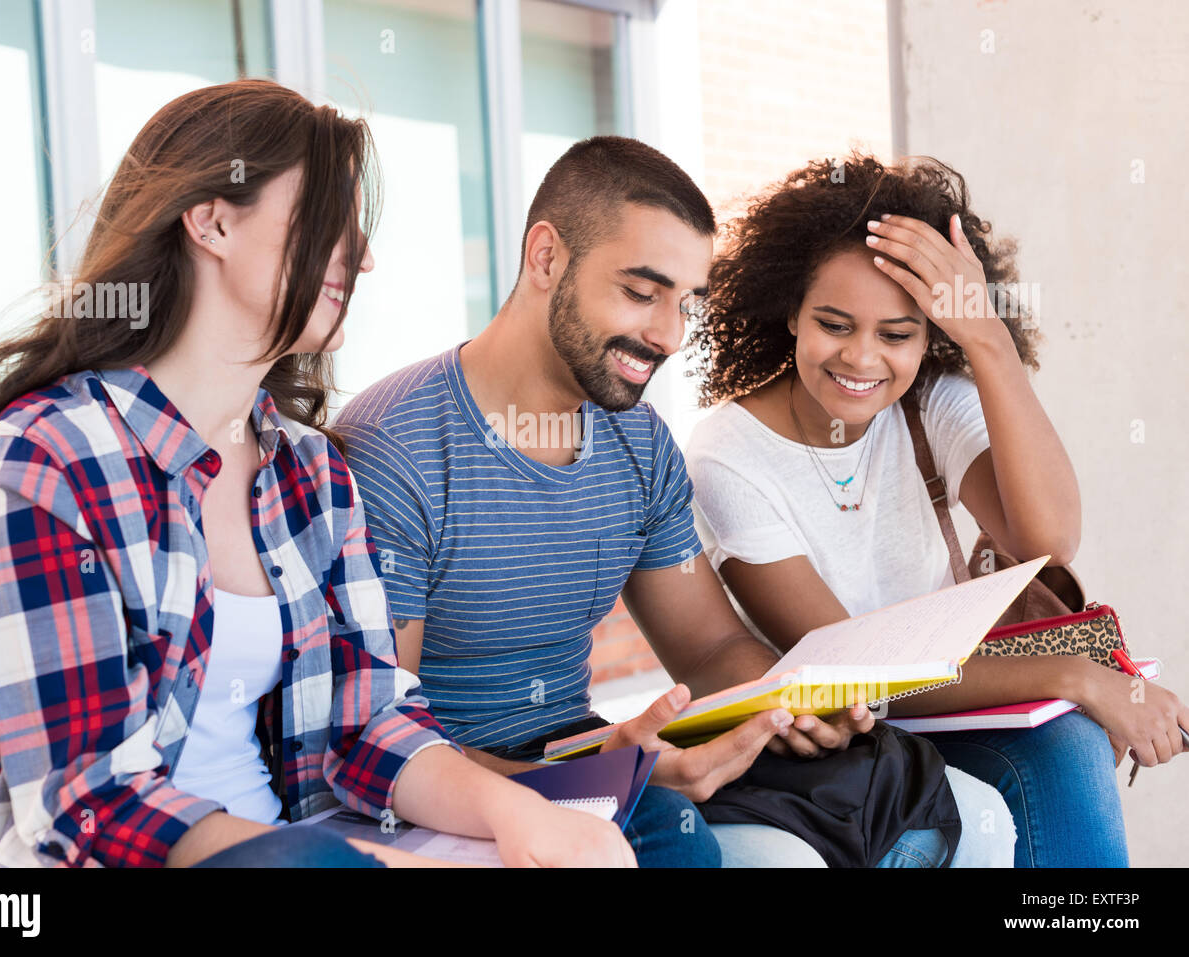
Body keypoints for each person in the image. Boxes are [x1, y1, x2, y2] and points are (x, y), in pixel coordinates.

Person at [0, 79, 638, 868]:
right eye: (330, 222)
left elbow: (369, 722)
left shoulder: (310, 469)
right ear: (213, 220)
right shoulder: (35, 464)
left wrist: (517, 813)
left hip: (299, 847)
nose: (362, 255)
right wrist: (376, 865)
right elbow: (94, 804)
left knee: (647, 825)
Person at [333, 135, 1016, 867]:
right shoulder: (395, 448)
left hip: (595, 762)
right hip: (454, 796)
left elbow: (713, 646)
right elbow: (379, 735)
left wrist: (788, 704)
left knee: (976, 814)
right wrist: (599, 781)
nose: (667, 334)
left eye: (686, 301)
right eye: (639, 290)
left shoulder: (637, 441)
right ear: (545, 257)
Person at [685, 151, 1189, 867]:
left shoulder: (930, 406)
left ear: (929, 338)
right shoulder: (728, 454)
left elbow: (1050, 535)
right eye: (834, 323)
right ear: (792, 311)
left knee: (1069, 743)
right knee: (1069, 728)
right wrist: (1080, 676)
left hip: (951, 705)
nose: (862, 358)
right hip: (843, 736)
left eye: (897, 334)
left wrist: (985, 335)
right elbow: (851, 671)